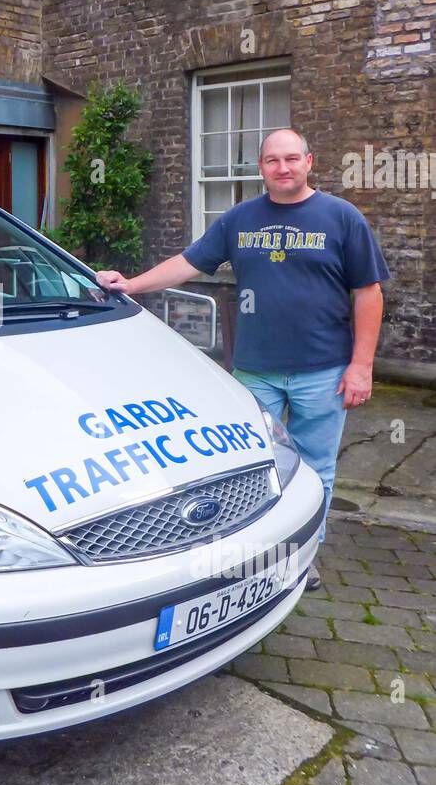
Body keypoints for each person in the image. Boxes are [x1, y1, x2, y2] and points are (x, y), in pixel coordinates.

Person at [97, 128, 389, 588]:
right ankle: (253, 557)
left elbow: (368, 294)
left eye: (292, 158)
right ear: (261, 168)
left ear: (309, 161)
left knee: (315, 469)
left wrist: (361, 366)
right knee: (253, 467)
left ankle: (303, 557)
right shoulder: (240, 220)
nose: (283, 167)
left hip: (324, 371)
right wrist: (131, 284)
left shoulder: (342, 217)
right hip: (254, 370)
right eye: (273, 160)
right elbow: (189, 263)